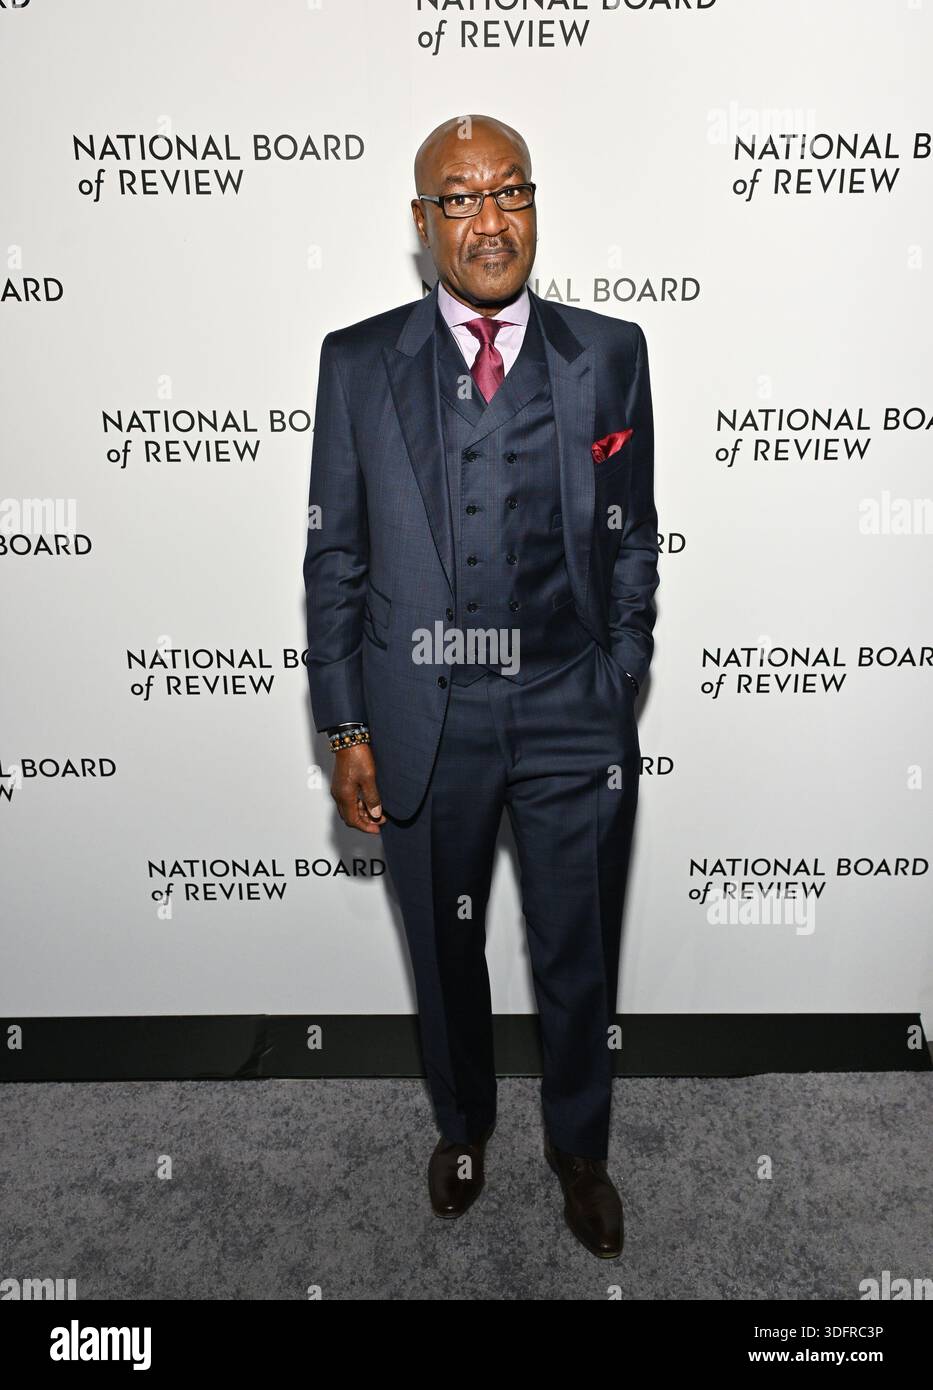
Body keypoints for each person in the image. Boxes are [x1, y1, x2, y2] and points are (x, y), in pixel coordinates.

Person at [303, 114, 659, 1258]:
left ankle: (581, 1148)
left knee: (578, 945)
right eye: (459, 199)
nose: (491, 219)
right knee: (444, 953)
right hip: (424, 715)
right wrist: (345, 721)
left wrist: (623, 667)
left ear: (535, 205)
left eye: (511, 191)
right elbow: (336, 558)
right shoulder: (359, 363)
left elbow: (635, 531)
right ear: (422, 224)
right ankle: (464, 1128)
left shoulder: (608, 352)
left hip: (569, 706)